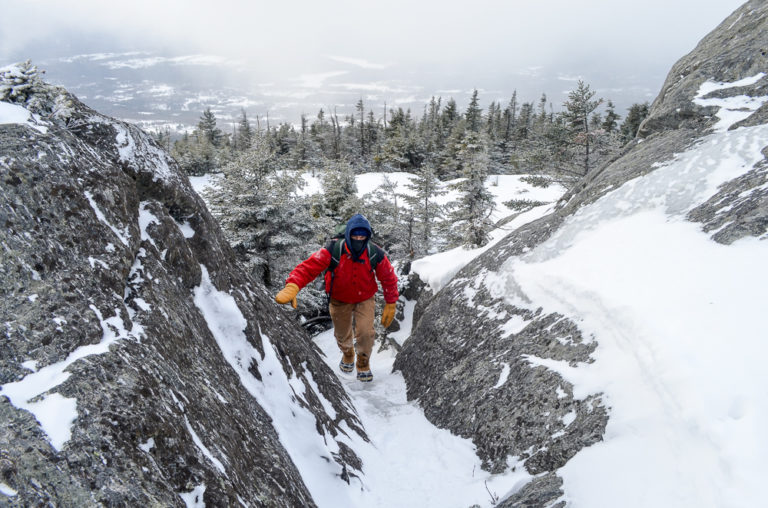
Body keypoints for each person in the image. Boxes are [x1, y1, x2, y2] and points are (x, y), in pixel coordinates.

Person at [275, 214, 398, 382]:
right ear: (348, 234)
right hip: (339, 299)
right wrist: (293, 285)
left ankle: (363, 364)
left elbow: (388, 277)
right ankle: (348, 354)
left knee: (366, 334)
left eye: (363, 235)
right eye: (355, 235)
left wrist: (391, 302)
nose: (359, 238)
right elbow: (308, 268)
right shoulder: (333, 249)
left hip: (365, 299)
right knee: (342, 334)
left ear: (368, 235)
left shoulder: (374, 252)